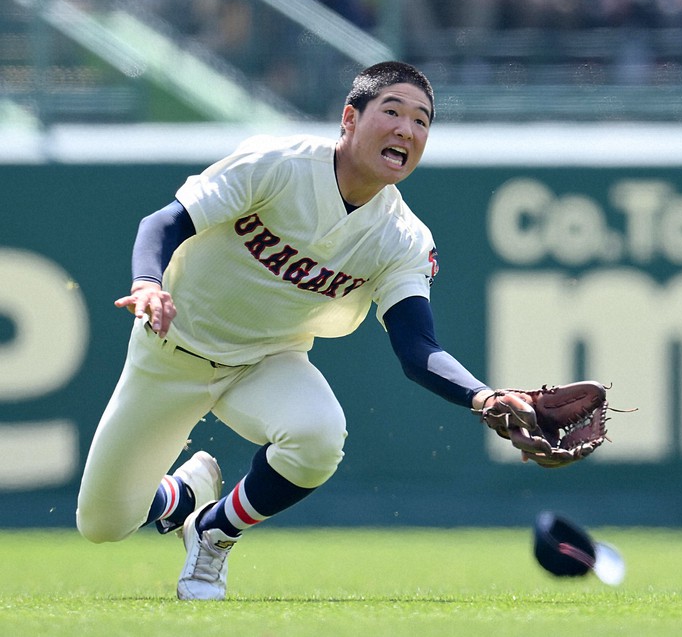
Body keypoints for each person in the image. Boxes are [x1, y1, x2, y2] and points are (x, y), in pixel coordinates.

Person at [76, 61, 529, 601]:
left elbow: (416, 347)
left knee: (318, 437)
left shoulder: (403, 237)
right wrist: (148, 282)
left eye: (422, 121)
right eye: (392, 111)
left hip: (266, 359)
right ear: (349, 118)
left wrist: (484, 397)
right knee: (102, 525)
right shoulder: (280, 163)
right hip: (172, 351)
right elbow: (166, 222)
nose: (407, 130)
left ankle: (213, 531)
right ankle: (179, 495)